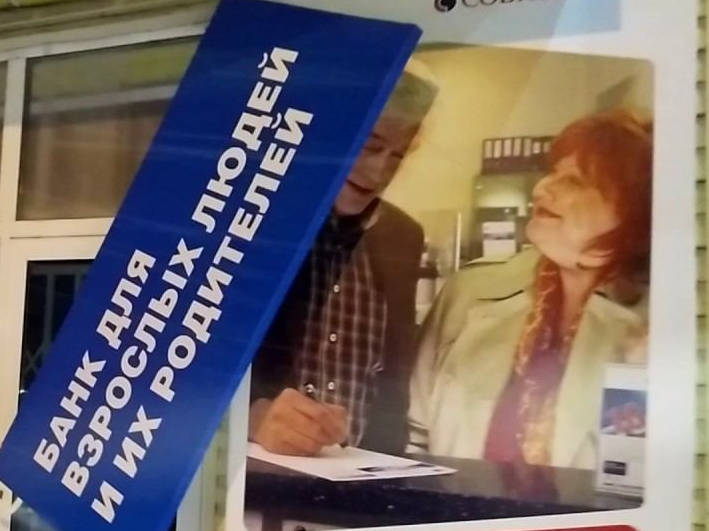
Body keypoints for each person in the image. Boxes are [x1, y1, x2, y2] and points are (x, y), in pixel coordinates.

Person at [408, 110, 652, 471]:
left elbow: (635, 472)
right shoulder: (470, 290)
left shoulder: (656, 323)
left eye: (574, 181)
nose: (541, 188)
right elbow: (414, 435)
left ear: (629, 211)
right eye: (553, 173)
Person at [249, 64, 438, 456]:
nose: (380, 171)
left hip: (365, 474)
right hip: (263, 476)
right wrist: (253, 418)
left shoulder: (403, 235)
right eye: (369, 146)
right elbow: (182, 370)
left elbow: (394, 384)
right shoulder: (256, 220)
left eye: (398, 155)